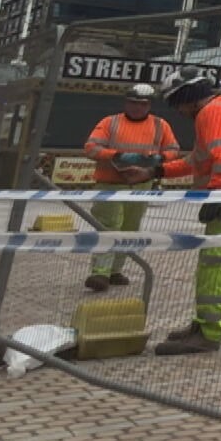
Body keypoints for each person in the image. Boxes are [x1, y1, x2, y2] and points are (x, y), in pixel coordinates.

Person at [124, 71, 221, 356]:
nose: (179, 112)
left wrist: (217, 195)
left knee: (216, 263)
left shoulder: (211, 114)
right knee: (219, 262)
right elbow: (198, 160)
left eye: (177, 104)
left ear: (187, 97)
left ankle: (209, 333)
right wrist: (155, 171)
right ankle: (203, 323)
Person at [78, 84, 182, 292]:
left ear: (149, 105)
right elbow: (91, 148)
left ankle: (115, 270)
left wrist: (159, 159)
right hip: (110, 184)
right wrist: (117, 156)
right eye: (133, 103)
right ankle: (100, 272)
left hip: (140, 185)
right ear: (126, 103)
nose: (137, 108)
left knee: (130, 228)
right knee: (108, 226)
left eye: (142, 104)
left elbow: (173, 149)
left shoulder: (160, 125)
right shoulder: (110, 123)